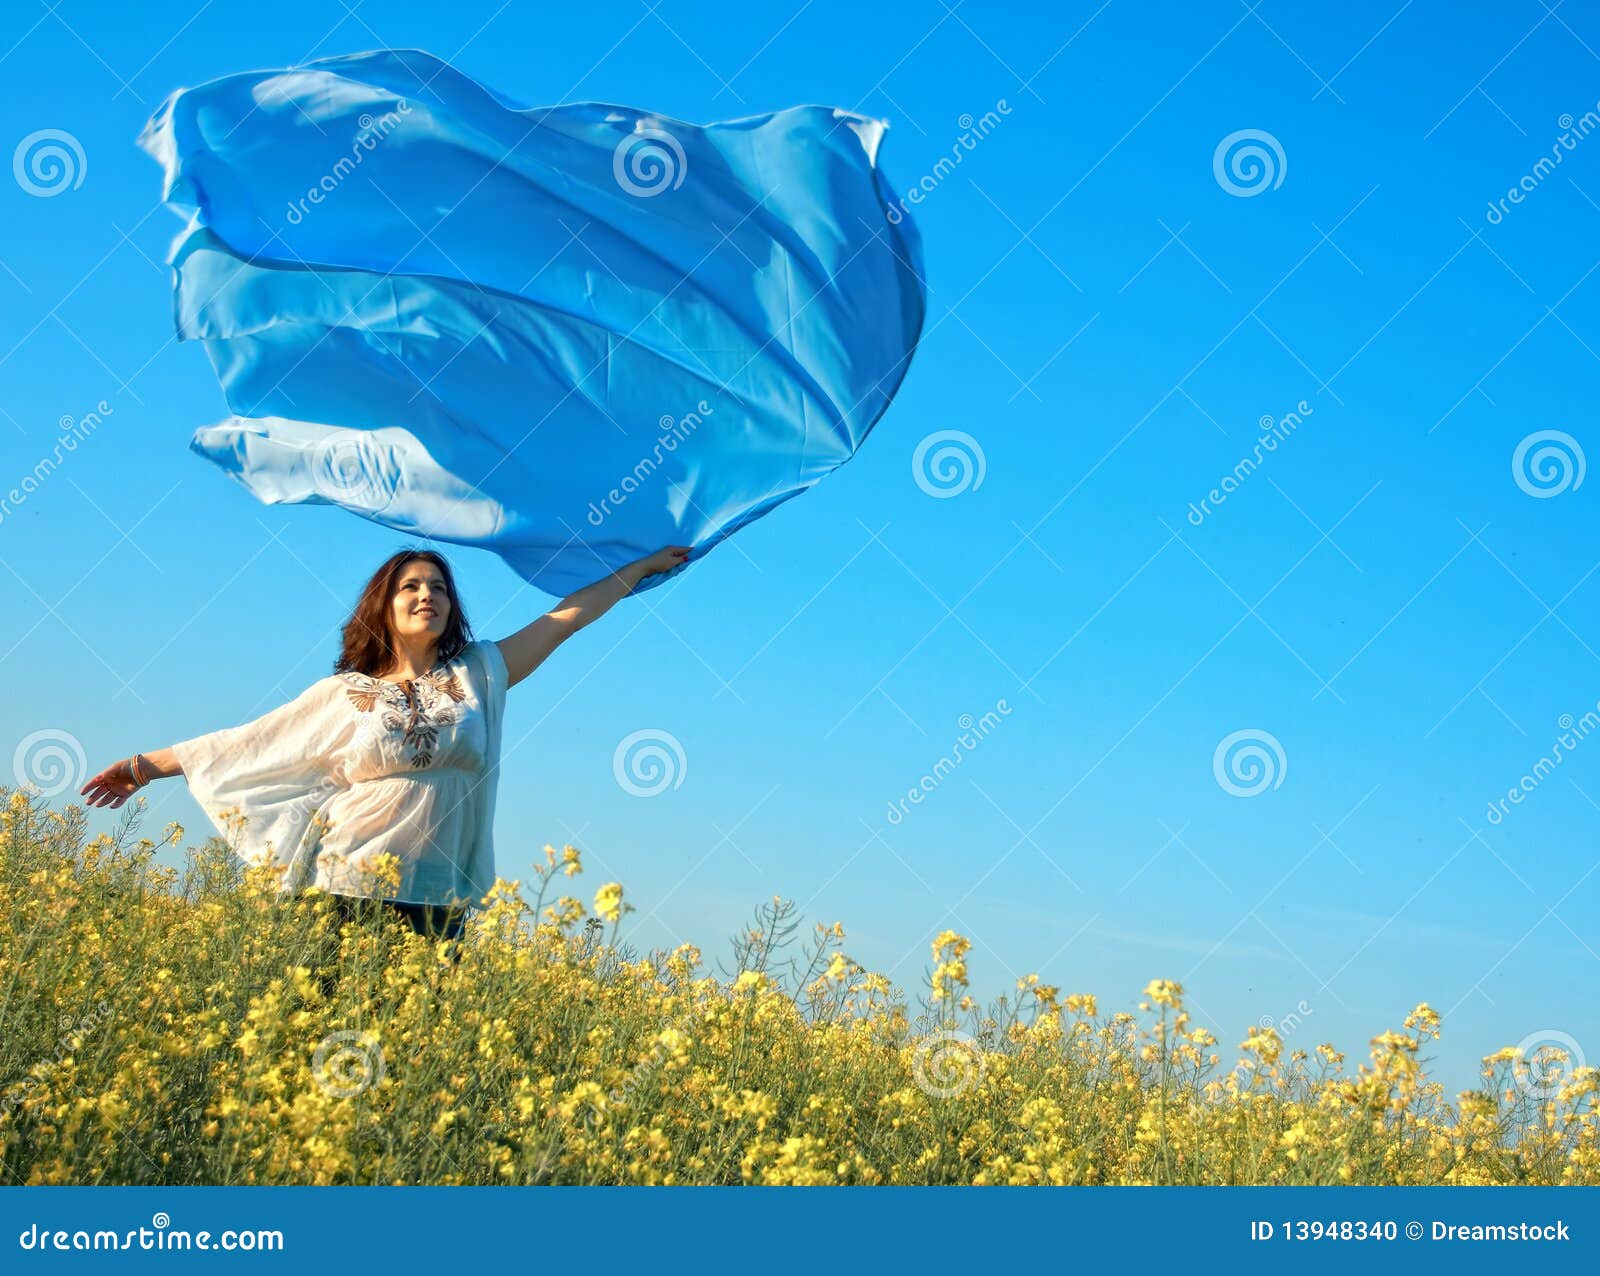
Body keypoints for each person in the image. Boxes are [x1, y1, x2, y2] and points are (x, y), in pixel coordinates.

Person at [79, 544, 690, 943]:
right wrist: (143, 766)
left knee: (413, 1052)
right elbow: (250, 744)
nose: (428, 595)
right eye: (411, 587)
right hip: (347, 882)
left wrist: (637, 569)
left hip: (439, 895)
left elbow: (567, 619)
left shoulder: (479, 672)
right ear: (385, 605)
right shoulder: (345, 694)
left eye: (440, 588)